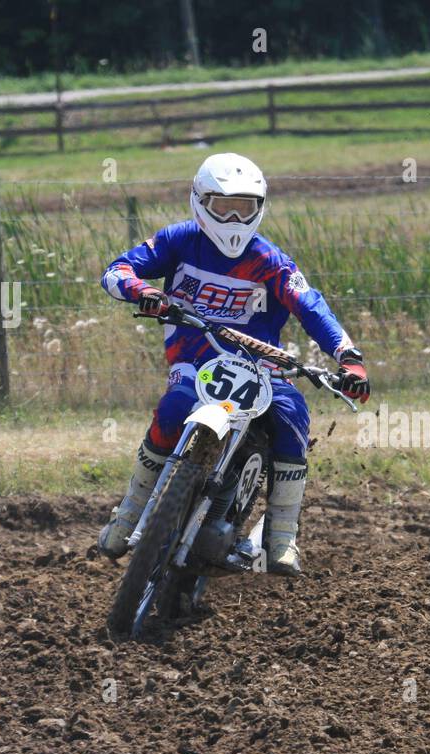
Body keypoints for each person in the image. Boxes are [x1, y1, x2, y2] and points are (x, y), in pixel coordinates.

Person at [97, 152, 369, 575]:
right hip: (193, 360)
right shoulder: (178, 240)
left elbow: (310, 306)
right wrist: (141, 291)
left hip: (259, 366)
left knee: (292, 413)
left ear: (260, 208)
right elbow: (117, 270)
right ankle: (129, 516)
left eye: (245, 208)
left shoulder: (269, 261)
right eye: (225, 207)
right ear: (200, 201)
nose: (235, 219)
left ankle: (282, 537)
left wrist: (348, 358)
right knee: (173, 407)